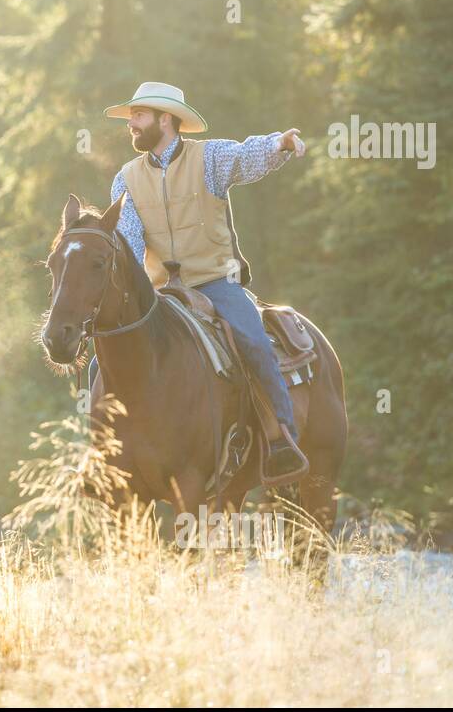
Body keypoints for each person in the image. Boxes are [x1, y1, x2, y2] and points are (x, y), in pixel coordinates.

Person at [101, 81, 309, 481]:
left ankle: (280, 438)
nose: (131, 123)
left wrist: (279, 144)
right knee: (102, 360)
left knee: (253, 341)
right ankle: (103, 455)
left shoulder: (208, 157)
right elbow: (126, 240)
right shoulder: (125, 179)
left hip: (216, 280)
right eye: (131, 116)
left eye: (138, 115)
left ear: (166, 119)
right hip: (162, 292)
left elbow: (245, 155)